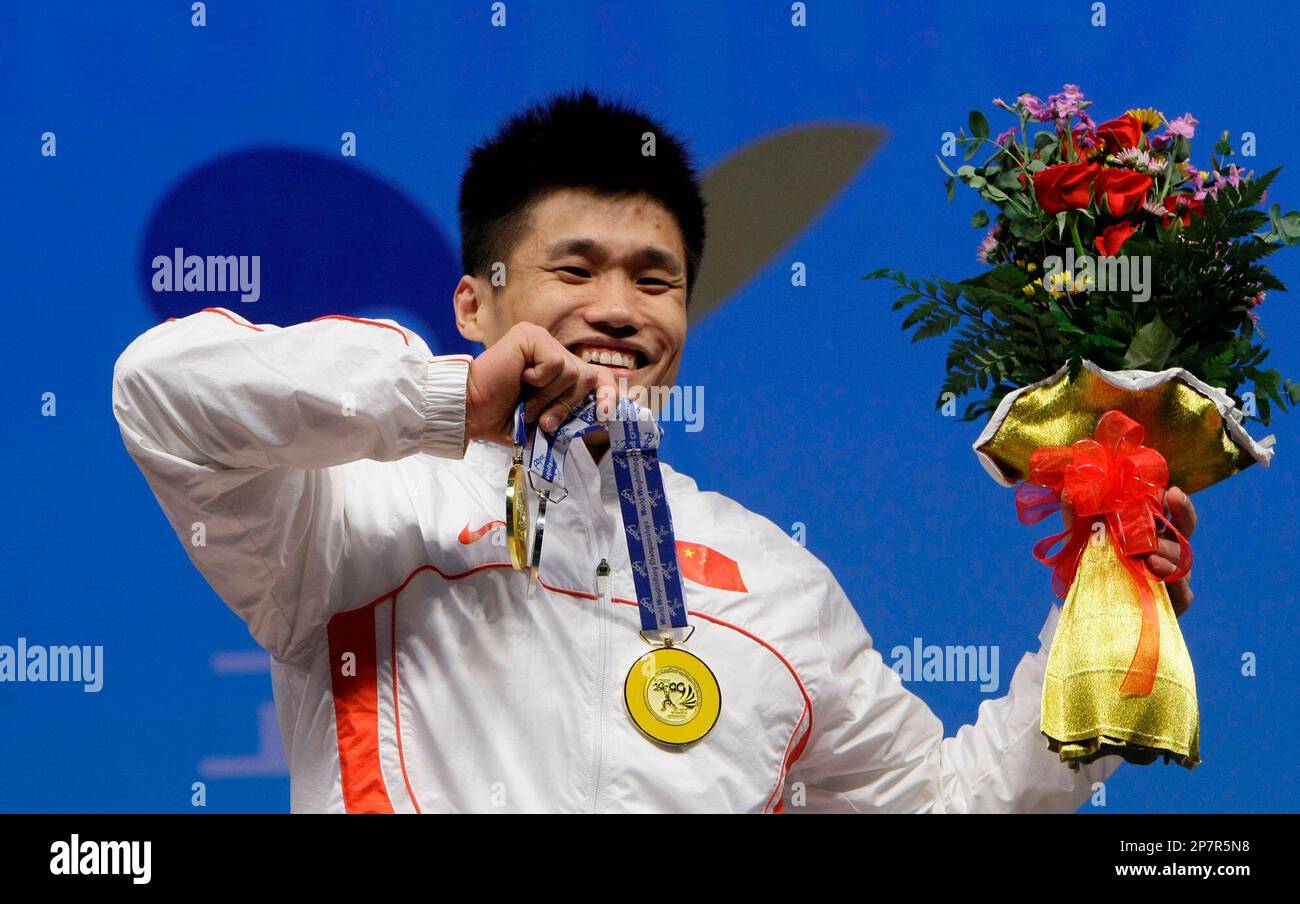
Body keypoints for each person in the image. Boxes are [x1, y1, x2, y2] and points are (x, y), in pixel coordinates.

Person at [112, 88, 1197, 813]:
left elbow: (946, 804)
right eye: (572, 270)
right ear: (474, 305)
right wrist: (446, 397)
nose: (618, 308)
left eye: (655, 278)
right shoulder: (356, 514)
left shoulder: (774, 580)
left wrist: (1102, 616)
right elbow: (162, 395)